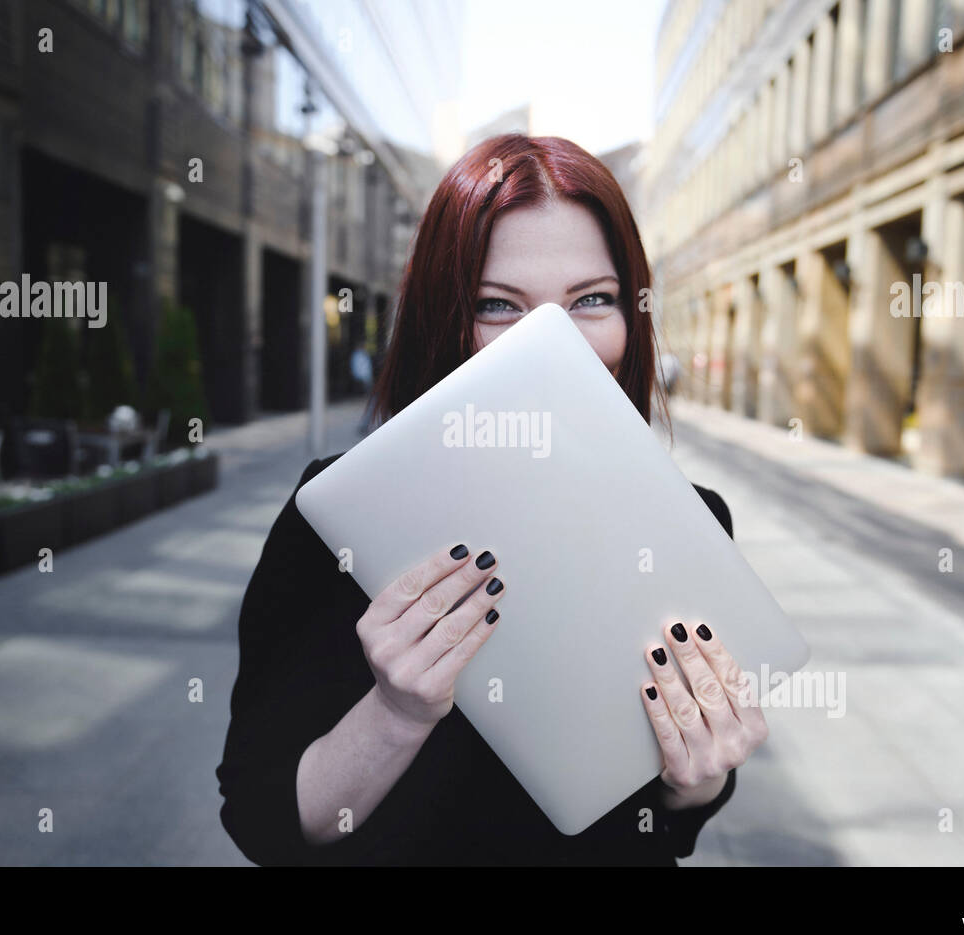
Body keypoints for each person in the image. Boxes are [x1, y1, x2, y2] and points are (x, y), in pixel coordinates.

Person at [216, 134, 769, 865]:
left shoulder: (692, 519)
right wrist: (395, 713)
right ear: (442, 319)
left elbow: (664, 822)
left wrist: (695, 782)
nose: (555, 343)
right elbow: (266, 824)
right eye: (499, 305)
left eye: (592, 300)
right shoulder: (341, 515)